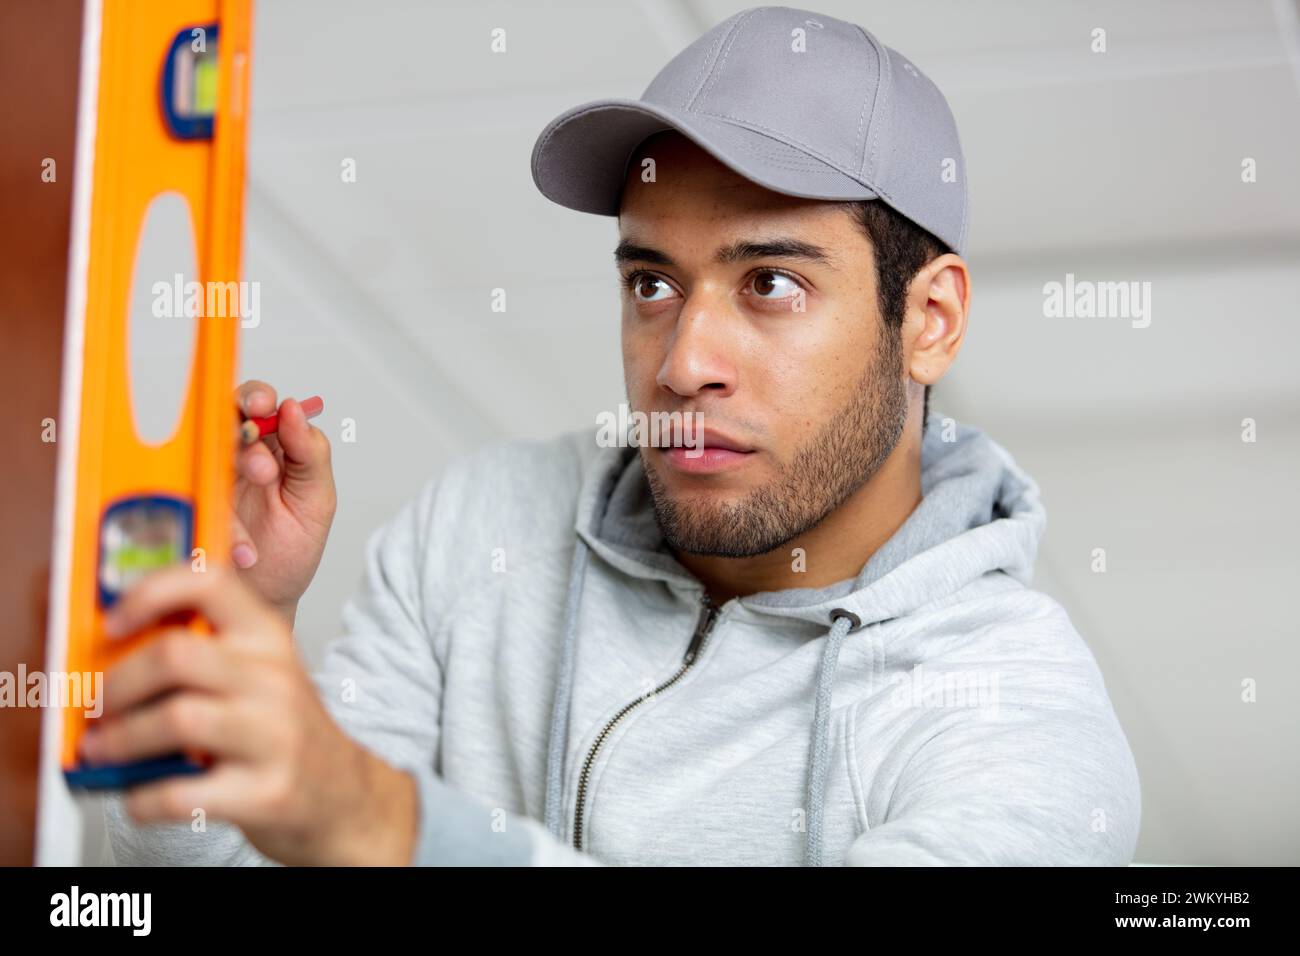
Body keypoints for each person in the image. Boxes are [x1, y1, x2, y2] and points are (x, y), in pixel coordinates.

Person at [99, 6, 1140, 866]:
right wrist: (231, 630)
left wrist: (387, 822)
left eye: (770, 283)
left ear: (929, 320)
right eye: (652, 282)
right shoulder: (480, 528)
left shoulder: (1013, 711)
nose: (685, 359)